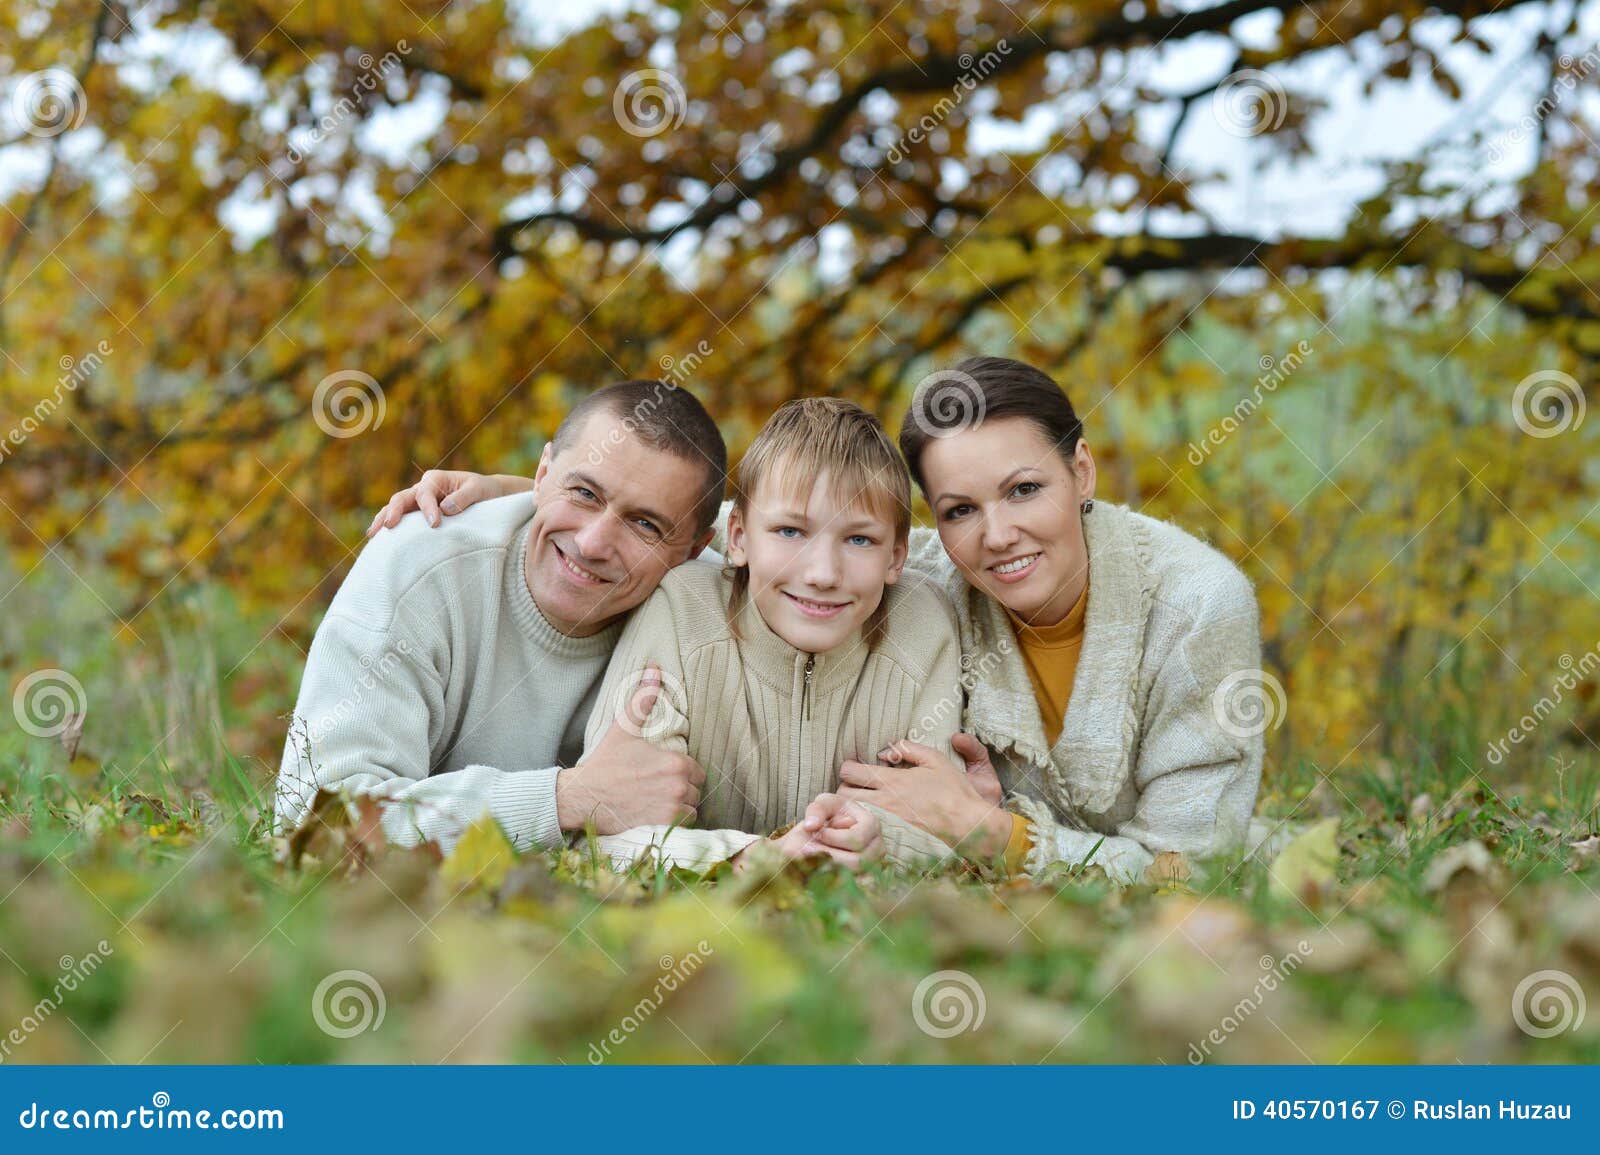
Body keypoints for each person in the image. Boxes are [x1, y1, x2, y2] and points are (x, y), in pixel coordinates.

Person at [369, 357, 1266, 882]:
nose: (995, 536)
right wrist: (516, 501)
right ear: (932, 527)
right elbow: (716, 541)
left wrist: (989, 836)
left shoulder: (1190, 608)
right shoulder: (912, 570)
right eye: (959, 508)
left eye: (1026, 489)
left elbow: (1199, 873)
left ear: (1084, 473)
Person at [276, 378, 865, 863]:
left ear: (698, 547)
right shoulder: (417, 566)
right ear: (540, 474)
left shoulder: (714, 590)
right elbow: (319, 821)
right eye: (583, 492)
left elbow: (856, 539)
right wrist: (568, 799)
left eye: (645, 525)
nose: (591, 542)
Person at [581, 398, 964, 873]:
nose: (823, 573)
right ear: (737, 537)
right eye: (789, 531)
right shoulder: (681, 611)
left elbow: (954, 828)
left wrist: (880, 842)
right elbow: (602, 828)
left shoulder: (924, 628)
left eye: (859, 539)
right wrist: (745, 857)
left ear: (896, 557)